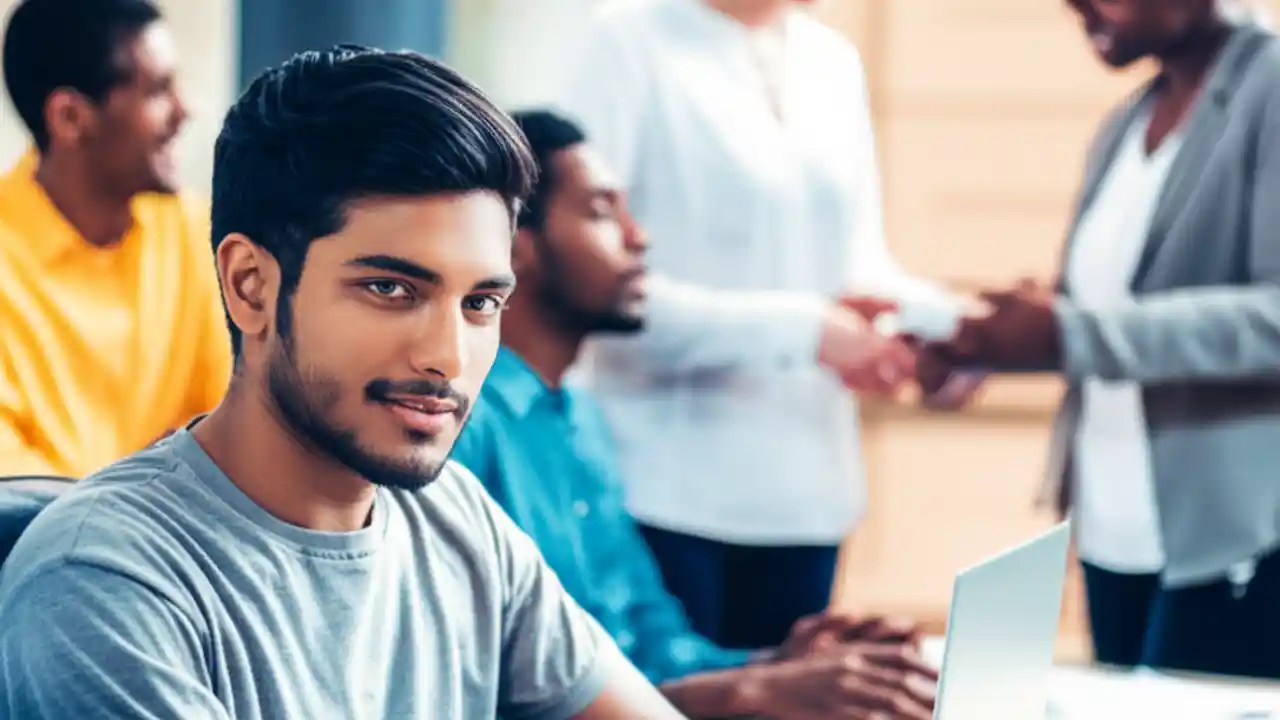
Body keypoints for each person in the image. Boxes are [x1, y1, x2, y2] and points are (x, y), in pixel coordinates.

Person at [0, 46, 683, 718]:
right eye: (391, 288)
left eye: (480, 302)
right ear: (250, 285)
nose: (448, 357)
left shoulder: (457, 520)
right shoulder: (100, 578)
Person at [452, 110, 938, 720]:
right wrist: (748, 692)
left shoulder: (582, 419)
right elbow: (497, 692)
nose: (639, 238)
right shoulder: (462, 427)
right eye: (602, 212)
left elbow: (658, 649)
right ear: (516, 246)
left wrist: (783, 664)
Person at [556, 0, 968, 648]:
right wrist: (808, 331)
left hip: (808, 496)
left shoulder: (831, 61)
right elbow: (595, 284)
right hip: (664, 488)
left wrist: (958, 332)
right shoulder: (625, 41)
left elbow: (858, 267)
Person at [922, 0, 1280, 679]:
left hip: (1235, 535)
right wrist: (985, 345)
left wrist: (1066, 333)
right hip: (1114, 529)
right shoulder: (1128, 121)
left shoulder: (1271, 90)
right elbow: (1105, 309)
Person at [0, 0, 232, 478]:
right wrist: (138, 485)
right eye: (158, 90)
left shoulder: (195, 233)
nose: (185, 110)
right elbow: (13, 488)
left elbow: (238, 418)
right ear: (70, 117)